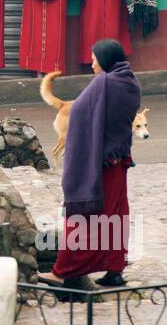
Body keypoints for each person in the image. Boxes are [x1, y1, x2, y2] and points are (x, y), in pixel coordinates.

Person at [49, 39, 142, 295]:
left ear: (106, 59)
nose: (91, 63)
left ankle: (64, 271)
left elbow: (79, 109)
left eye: (94, 59)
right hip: (118, 158)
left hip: (99, 163)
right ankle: (114, 270)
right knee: (115, 214)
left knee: (87, 216)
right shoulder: (130, 81)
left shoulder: (105, 82)